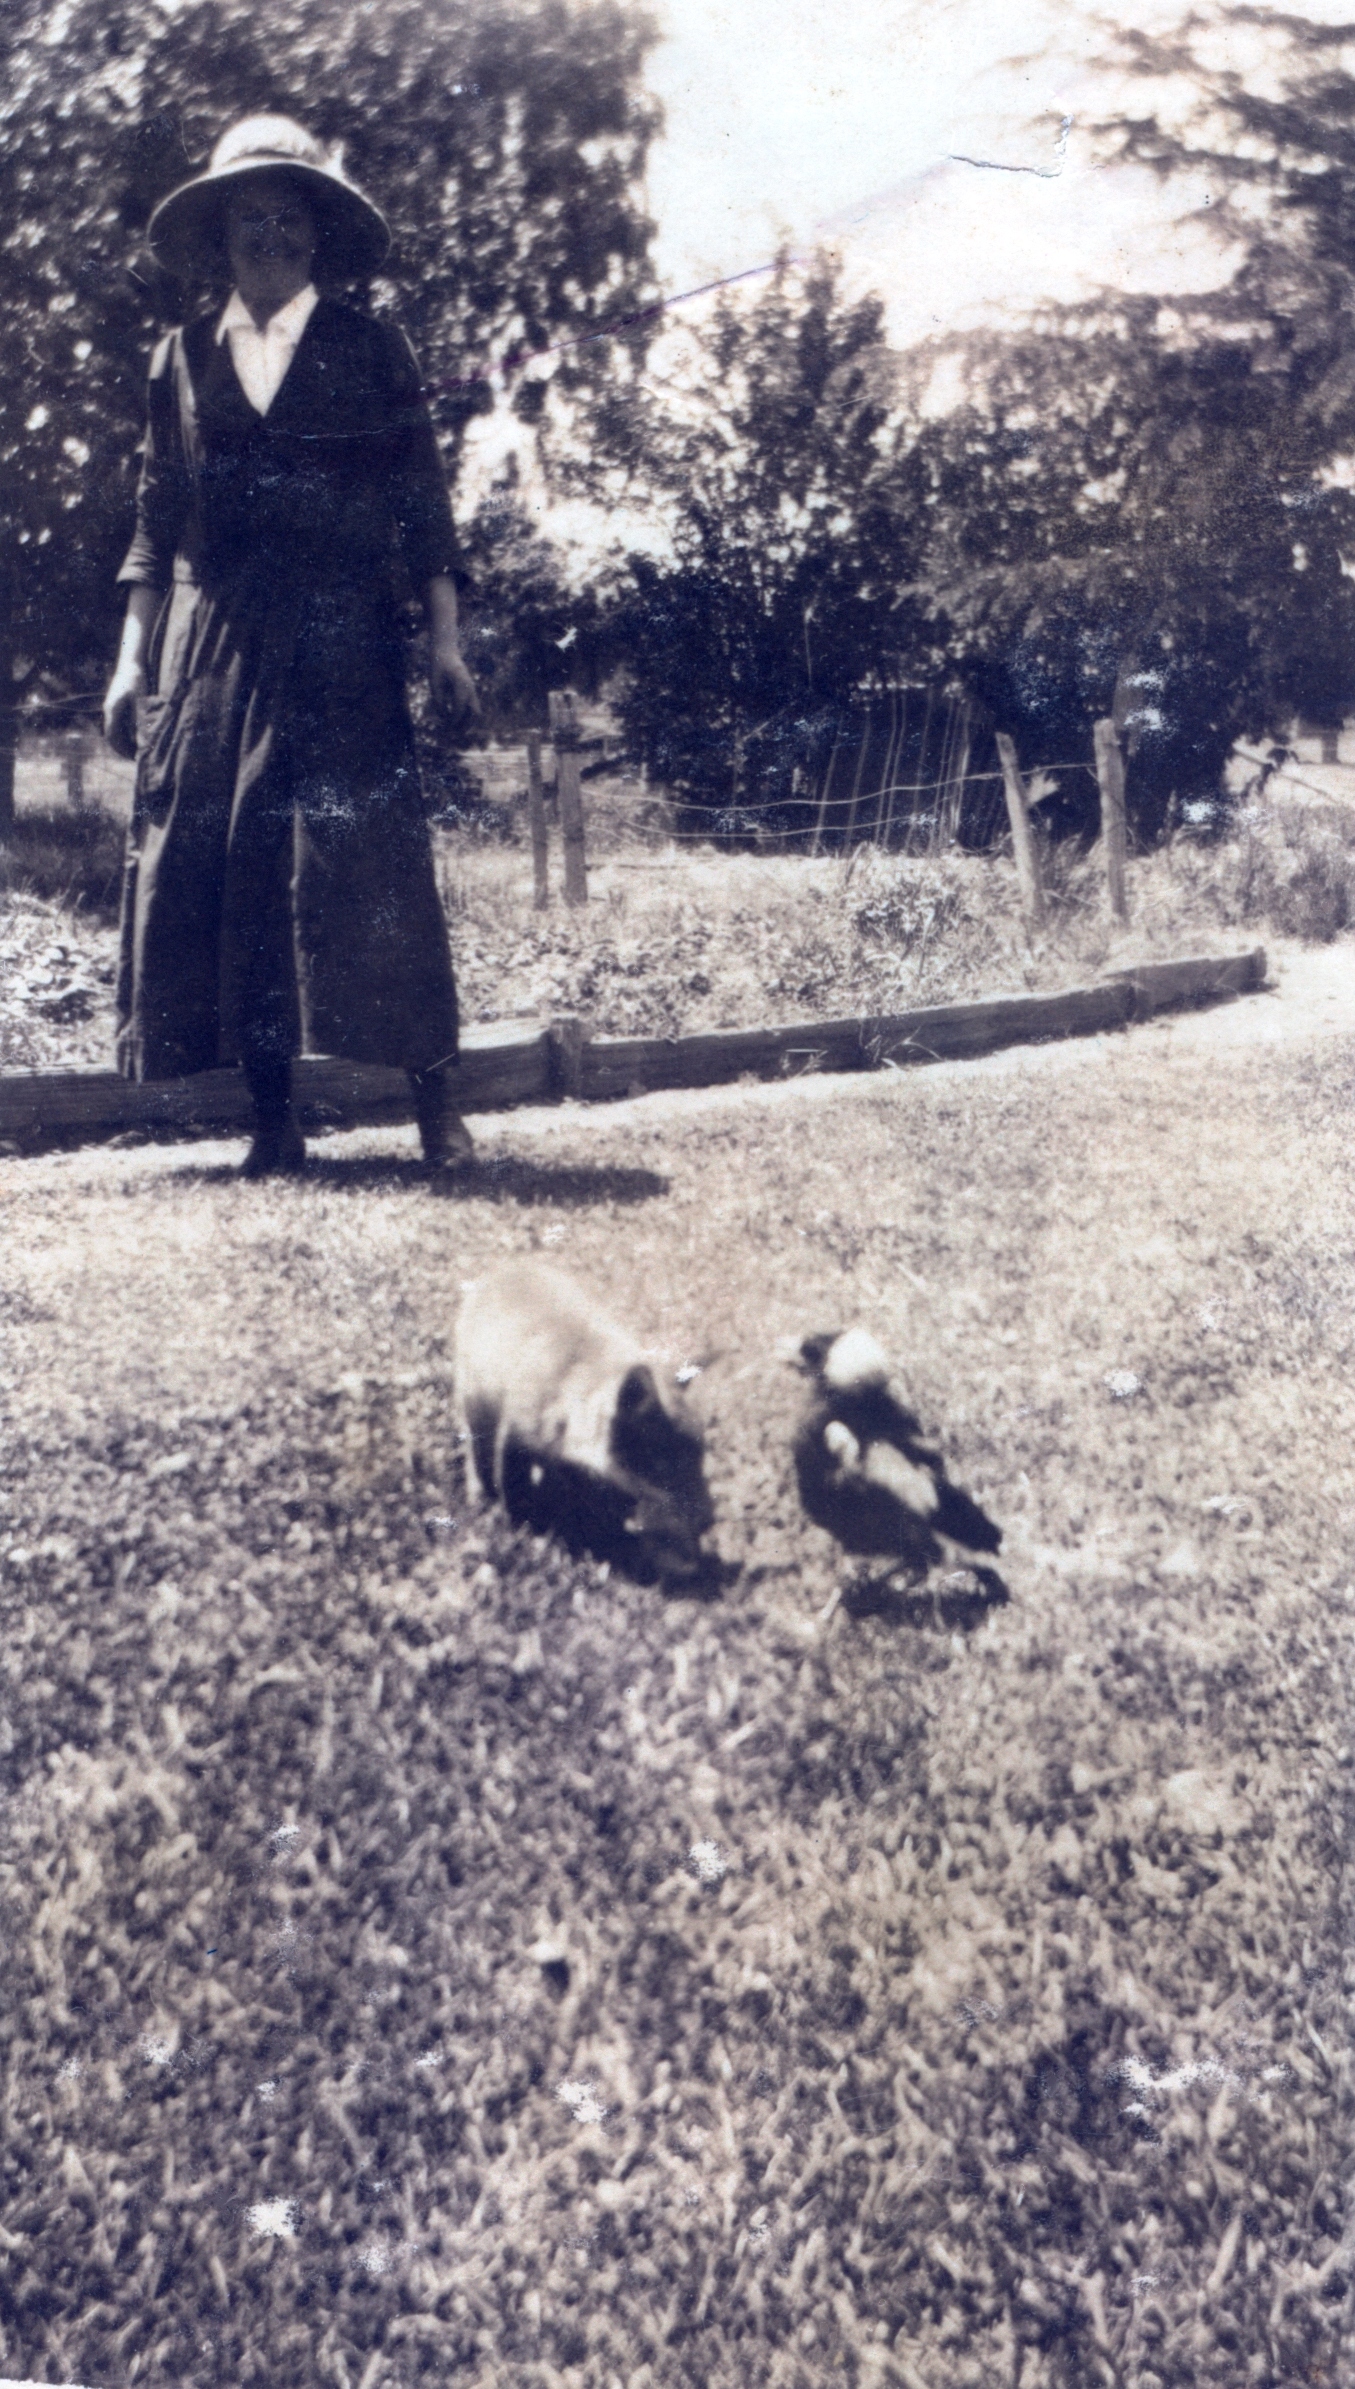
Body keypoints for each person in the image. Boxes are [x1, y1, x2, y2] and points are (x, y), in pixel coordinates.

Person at [103, 114, 480, 1176]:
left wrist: (444, 646)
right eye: (246, 222)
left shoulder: (369, 347)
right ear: (218, 241)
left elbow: (422, 506)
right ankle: (274, 1124)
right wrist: (132, 662)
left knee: (372, 862)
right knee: (240, 870)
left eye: (287, 219)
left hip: (343, 638)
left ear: (317, 237)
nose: (267, 241)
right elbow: (154, 517)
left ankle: (436, 1108)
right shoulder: (178, 358)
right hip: (212, 646)